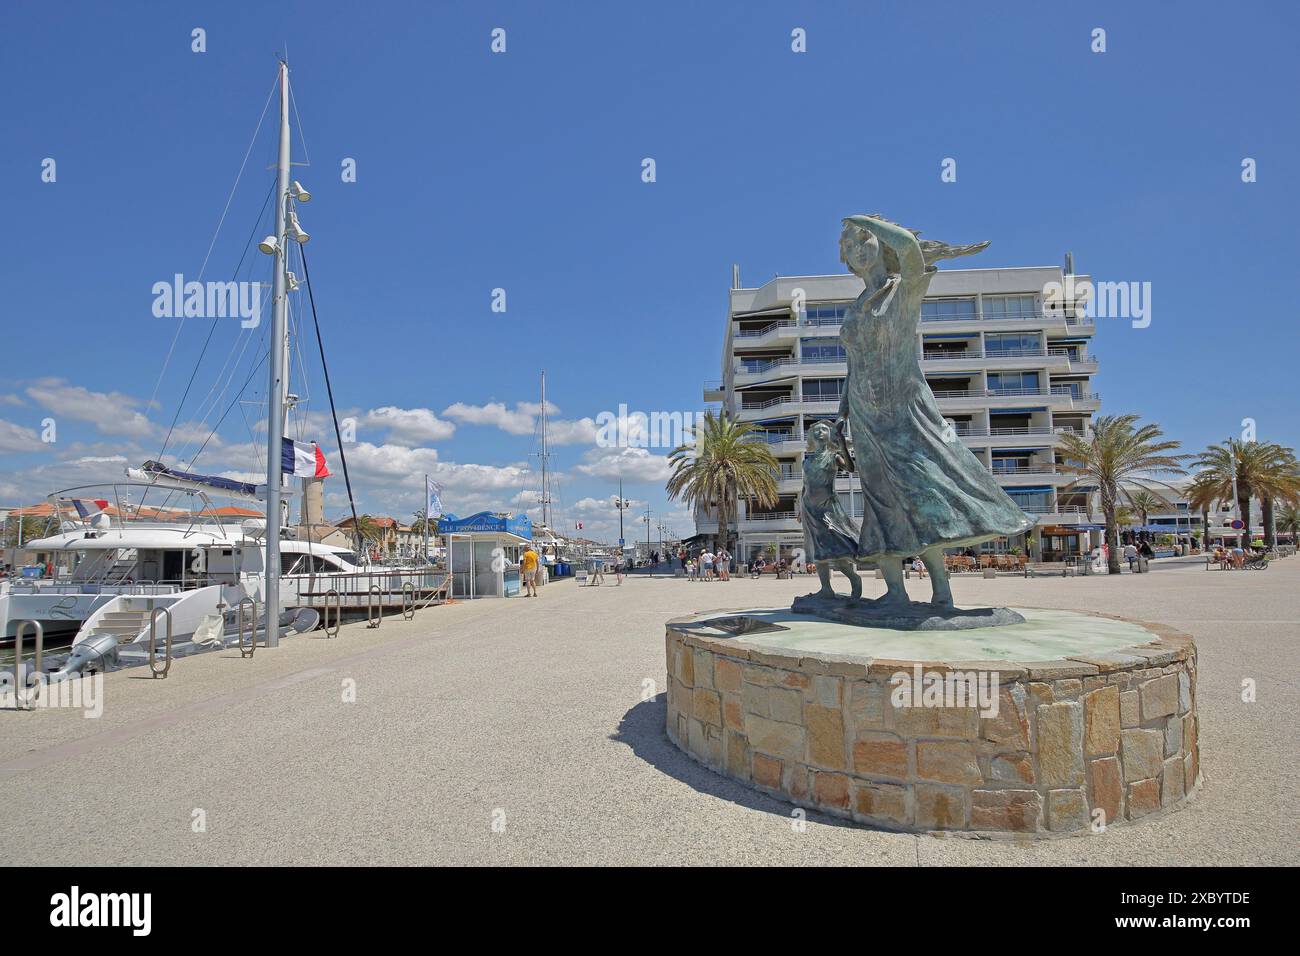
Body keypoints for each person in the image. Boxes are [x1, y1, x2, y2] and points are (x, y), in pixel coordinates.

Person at [834, 215, 1034, 608]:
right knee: (880, 501)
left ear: (882, 244)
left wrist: (868, 220)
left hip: (903, 407)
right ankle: (894, 591)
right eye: (848, 244)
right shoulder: (854, 310)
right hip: (863, 414)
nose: (855, 249)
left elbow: (910, 252)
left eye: (863, 239)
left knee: (921, 492)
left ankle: (942, 589)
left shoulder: (903, 288)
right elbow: (853, 366)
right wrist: (842, 415)